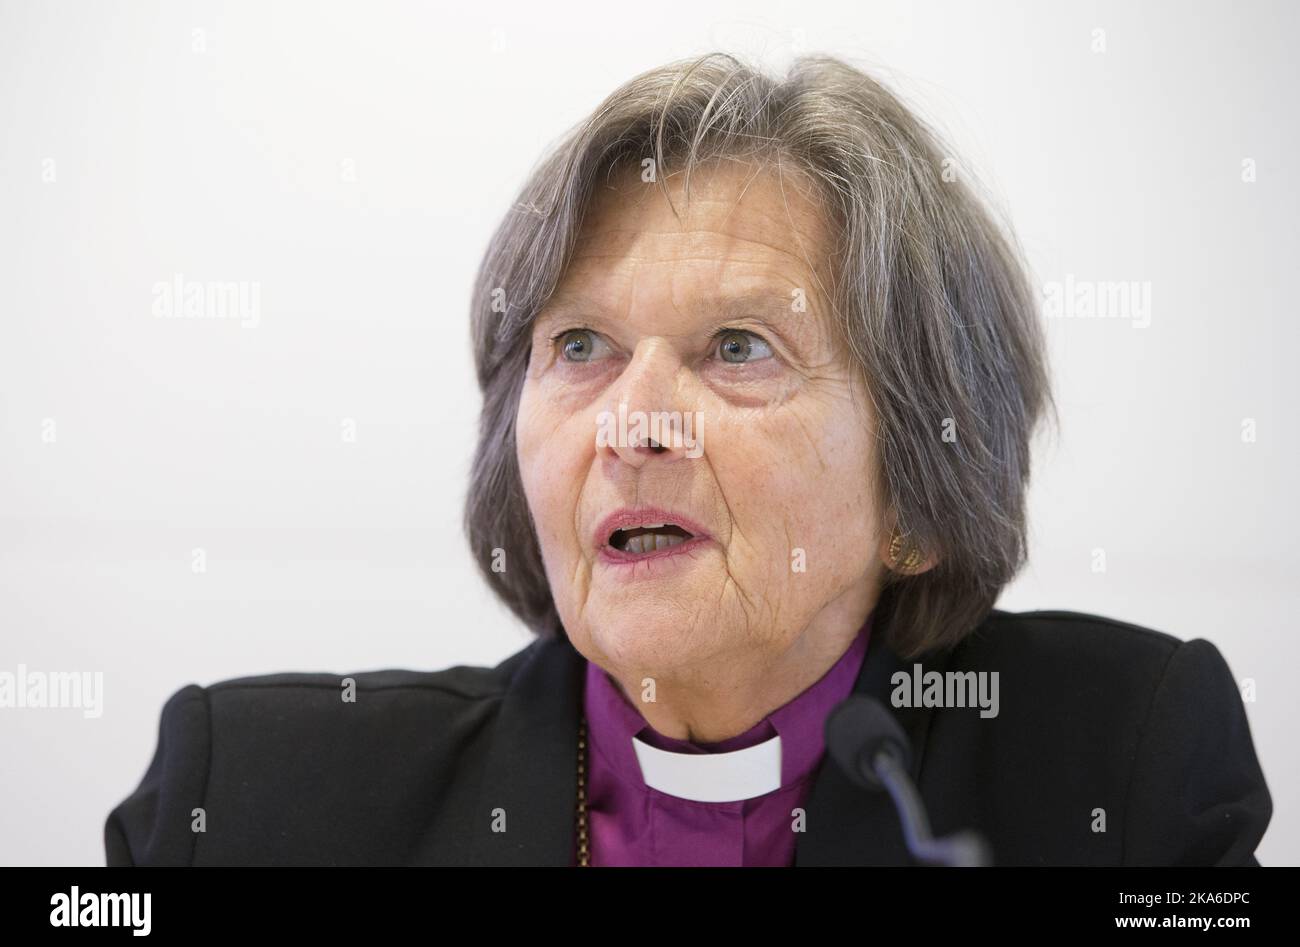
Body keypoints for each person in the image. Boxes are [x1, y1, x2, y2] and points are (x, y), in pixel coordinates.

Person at [105, 52, 1271, 866]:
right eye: (579, 347)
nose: (631, 423)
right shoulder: (249, 797)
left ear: (916, 485)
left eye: (737, 348)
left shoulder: (1121, 767)